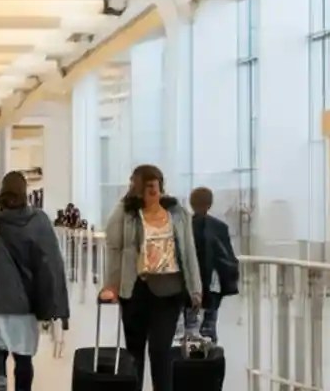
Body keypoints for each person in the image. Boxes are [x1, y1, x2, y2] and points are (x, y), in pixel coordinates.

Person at [100, 165, 202, 391]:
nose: (152, 191)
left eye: (155, 185)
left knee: (160, 349)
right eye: (146, 186)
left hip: (169, 290)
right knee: (134, 352)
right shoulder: (127, 214)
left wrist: (195, 288)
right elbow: (113, 244)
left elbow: (189, 251)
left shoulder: (177, 213)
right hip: (135, 290)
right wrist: (112, 285)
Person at [0, 172, 69, 391]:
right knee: (23, 359)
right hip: (24, 306)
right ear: (26, 193)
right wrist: (55, 309)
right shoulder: (38, 220)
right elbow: (50, 266)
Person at [187, 187, 239, 343]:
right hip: (212, 285)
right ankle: (207, 359)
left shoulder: (184, 226)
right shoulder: (219, 227)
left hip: (190, 286)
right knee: (209, 328)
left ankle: (192, 360)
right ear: (210, 204)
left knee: (191, 327)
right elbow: (227, 256)